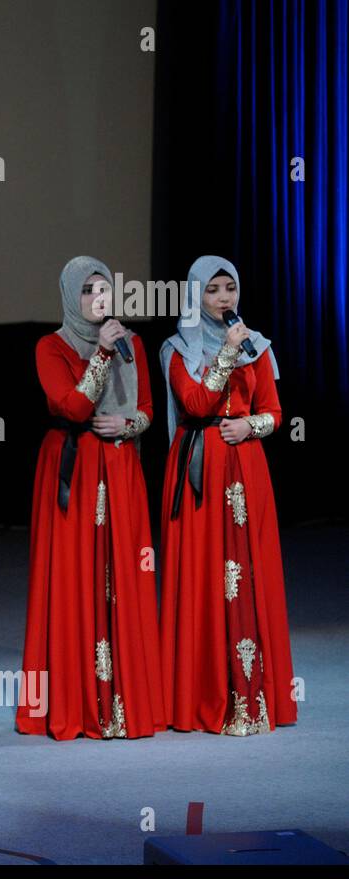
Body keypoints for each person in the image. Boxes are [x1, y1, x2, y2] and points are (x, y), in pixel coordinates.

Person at [15, 256, 166, 739]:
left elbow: (146, 409)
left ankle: (128, 700)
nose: (98, 298)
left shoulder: (134, 344)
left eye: (104, 289)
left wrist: (130, 424)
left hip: (121, 467)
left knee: (125, 574)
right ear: (71, 297)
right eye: (88, 291)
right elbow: (74, 406)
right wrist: (100, 355)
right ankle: (74, 702)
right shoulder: (51, 346)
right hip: (74, 469)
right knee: (73, 577)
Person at [159, 255, 296, 735]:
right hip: (201, 466)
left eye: (230, 289)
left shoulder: (257, 347)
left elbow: (275, 413)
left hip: (246, 466)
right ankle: (202, 695)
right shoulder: (177, 348)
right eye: (213, 290)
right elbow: (195, 403)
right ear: (197, 296)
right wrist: (224, 357)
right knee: (203, 574)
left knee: (247, 571)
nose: (224, 299)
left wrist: (250, 425)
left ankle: (252, 696)